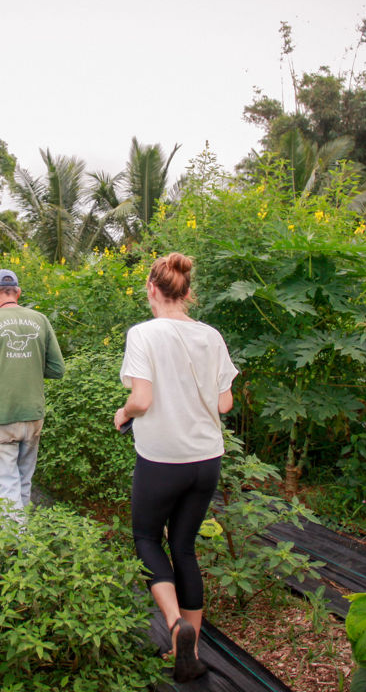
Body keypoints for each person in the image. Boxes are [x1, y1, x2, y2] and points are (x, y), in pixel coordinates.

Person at [113, 252, 237, 683]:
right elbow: (225, 403)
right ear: (186, 292)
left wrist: (124, 413)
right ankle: (192, 653)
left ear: (152, 289)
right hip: (207, 459)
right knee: (184, 547)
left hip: (163, 459)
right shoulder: (211, 336)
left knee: (147, 538)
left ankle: (173, 625)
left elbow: (142, 399)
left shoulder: (143, 334)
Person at [0, 269, 64, 513]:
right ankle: (26, 540)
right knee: (24, 480)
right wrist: (29, 364)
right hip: (33, 414)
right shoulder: (40, 320)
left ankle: (16, 546)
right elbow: (57, 369)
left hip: (1, 416)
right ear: (17, 292)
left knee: (6, 483)